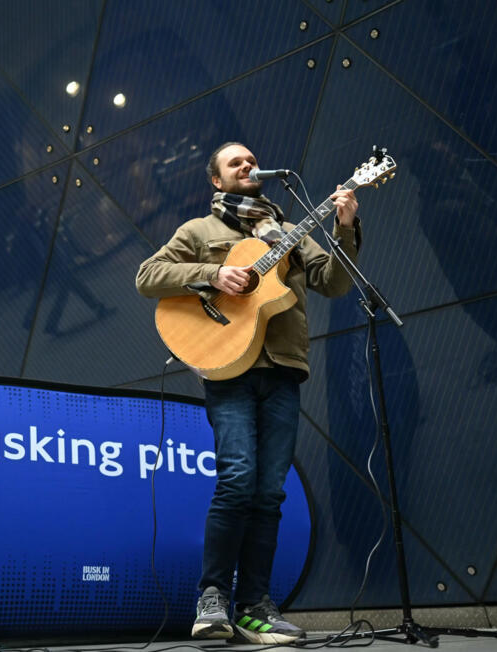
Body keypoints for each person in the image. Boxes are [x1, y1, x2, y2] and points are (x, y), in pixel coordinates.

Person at [135, 142, 360, 644]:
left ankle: (255, 607)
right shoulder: (199, 231)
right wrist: (213, 274)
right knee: (237, 480)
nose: (246, 164)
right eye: (233, 162)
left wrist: (344, 226)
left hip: (282, 368)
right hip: (227, 367)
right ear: (217, 181)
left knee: (269, 492)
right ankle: (212, 598)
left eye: (250, 159)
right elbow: (148, 276)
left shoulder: (288, 233)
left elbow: (334, 282)